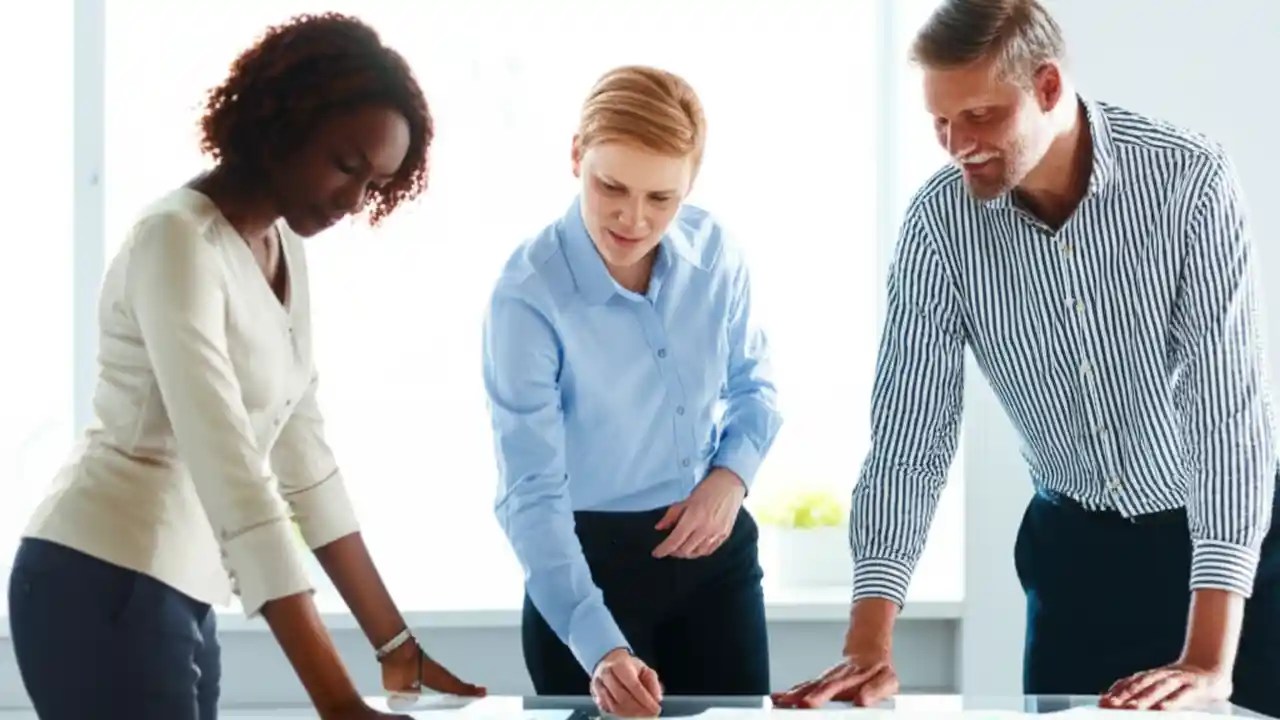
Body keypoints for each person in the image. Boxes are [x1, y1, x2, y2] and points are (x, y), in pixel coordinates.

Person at [772, 0, 1280, 716]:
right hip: (1077, 563)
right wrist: (868, 646)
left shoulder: (1189, 182)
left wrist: (1206, 659)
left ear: (1046, 88)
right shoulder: (938, 229)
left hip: (1230, 555)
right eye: (940, 122)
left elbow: (1229, 415)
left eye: (979, 116)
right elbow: (909, 440)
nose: (957, 144)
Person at [7, 12, 486, 720]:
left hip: (183, 594)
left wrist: (395, 645)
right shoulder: (176, 241)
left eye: (375, 182)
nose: (355, 201)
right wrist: (336, 702)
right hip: (100, 577)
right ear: (282, 124)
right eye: (346, 166)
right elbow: (232, 473)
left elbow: (304, 458)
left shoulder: (282, 248)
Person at [482, 65, 783, 717]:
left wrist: (730, 477)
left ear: (690, 186)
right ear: (575, 156)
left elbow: (754, 387)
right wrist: (601, 650)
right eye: (610, 185)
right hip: (584, 571)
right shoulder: (527, 296)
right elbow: (529, 492)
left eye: (661, 198)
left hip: (714, 552)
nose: (632, 218)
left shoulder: (718, 254)